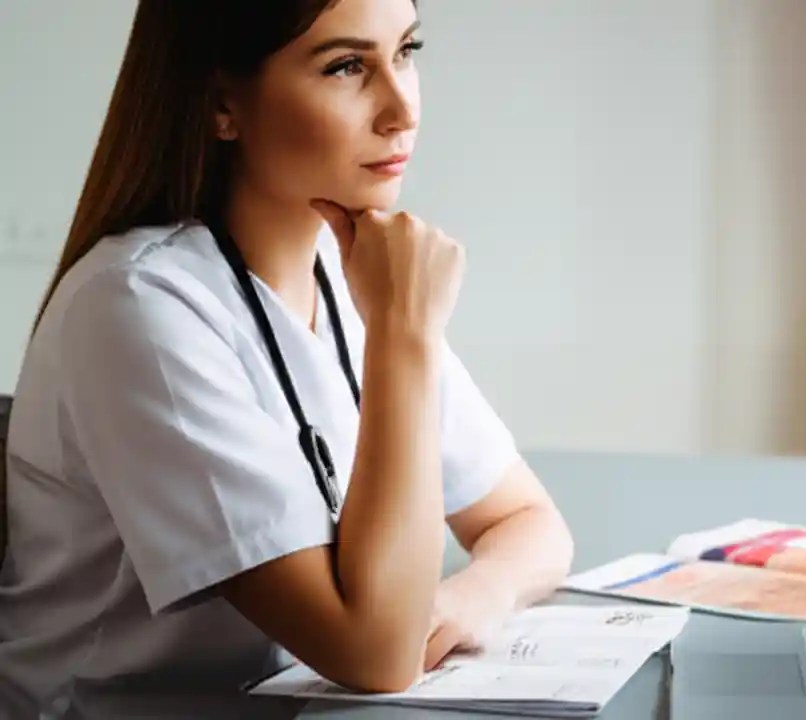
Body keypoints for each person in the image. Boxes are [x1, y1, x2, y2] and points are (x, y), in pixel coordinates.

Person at [0, 0, 574, 714]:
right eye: (347, 66)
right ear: (220, 105)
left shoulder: (345, 275)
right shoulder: (138, 307)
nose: (402, 110)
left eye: (406, 52)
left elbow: (530, 523)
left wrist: (470, 599)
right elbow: (377, 654)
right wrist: (405, 335)